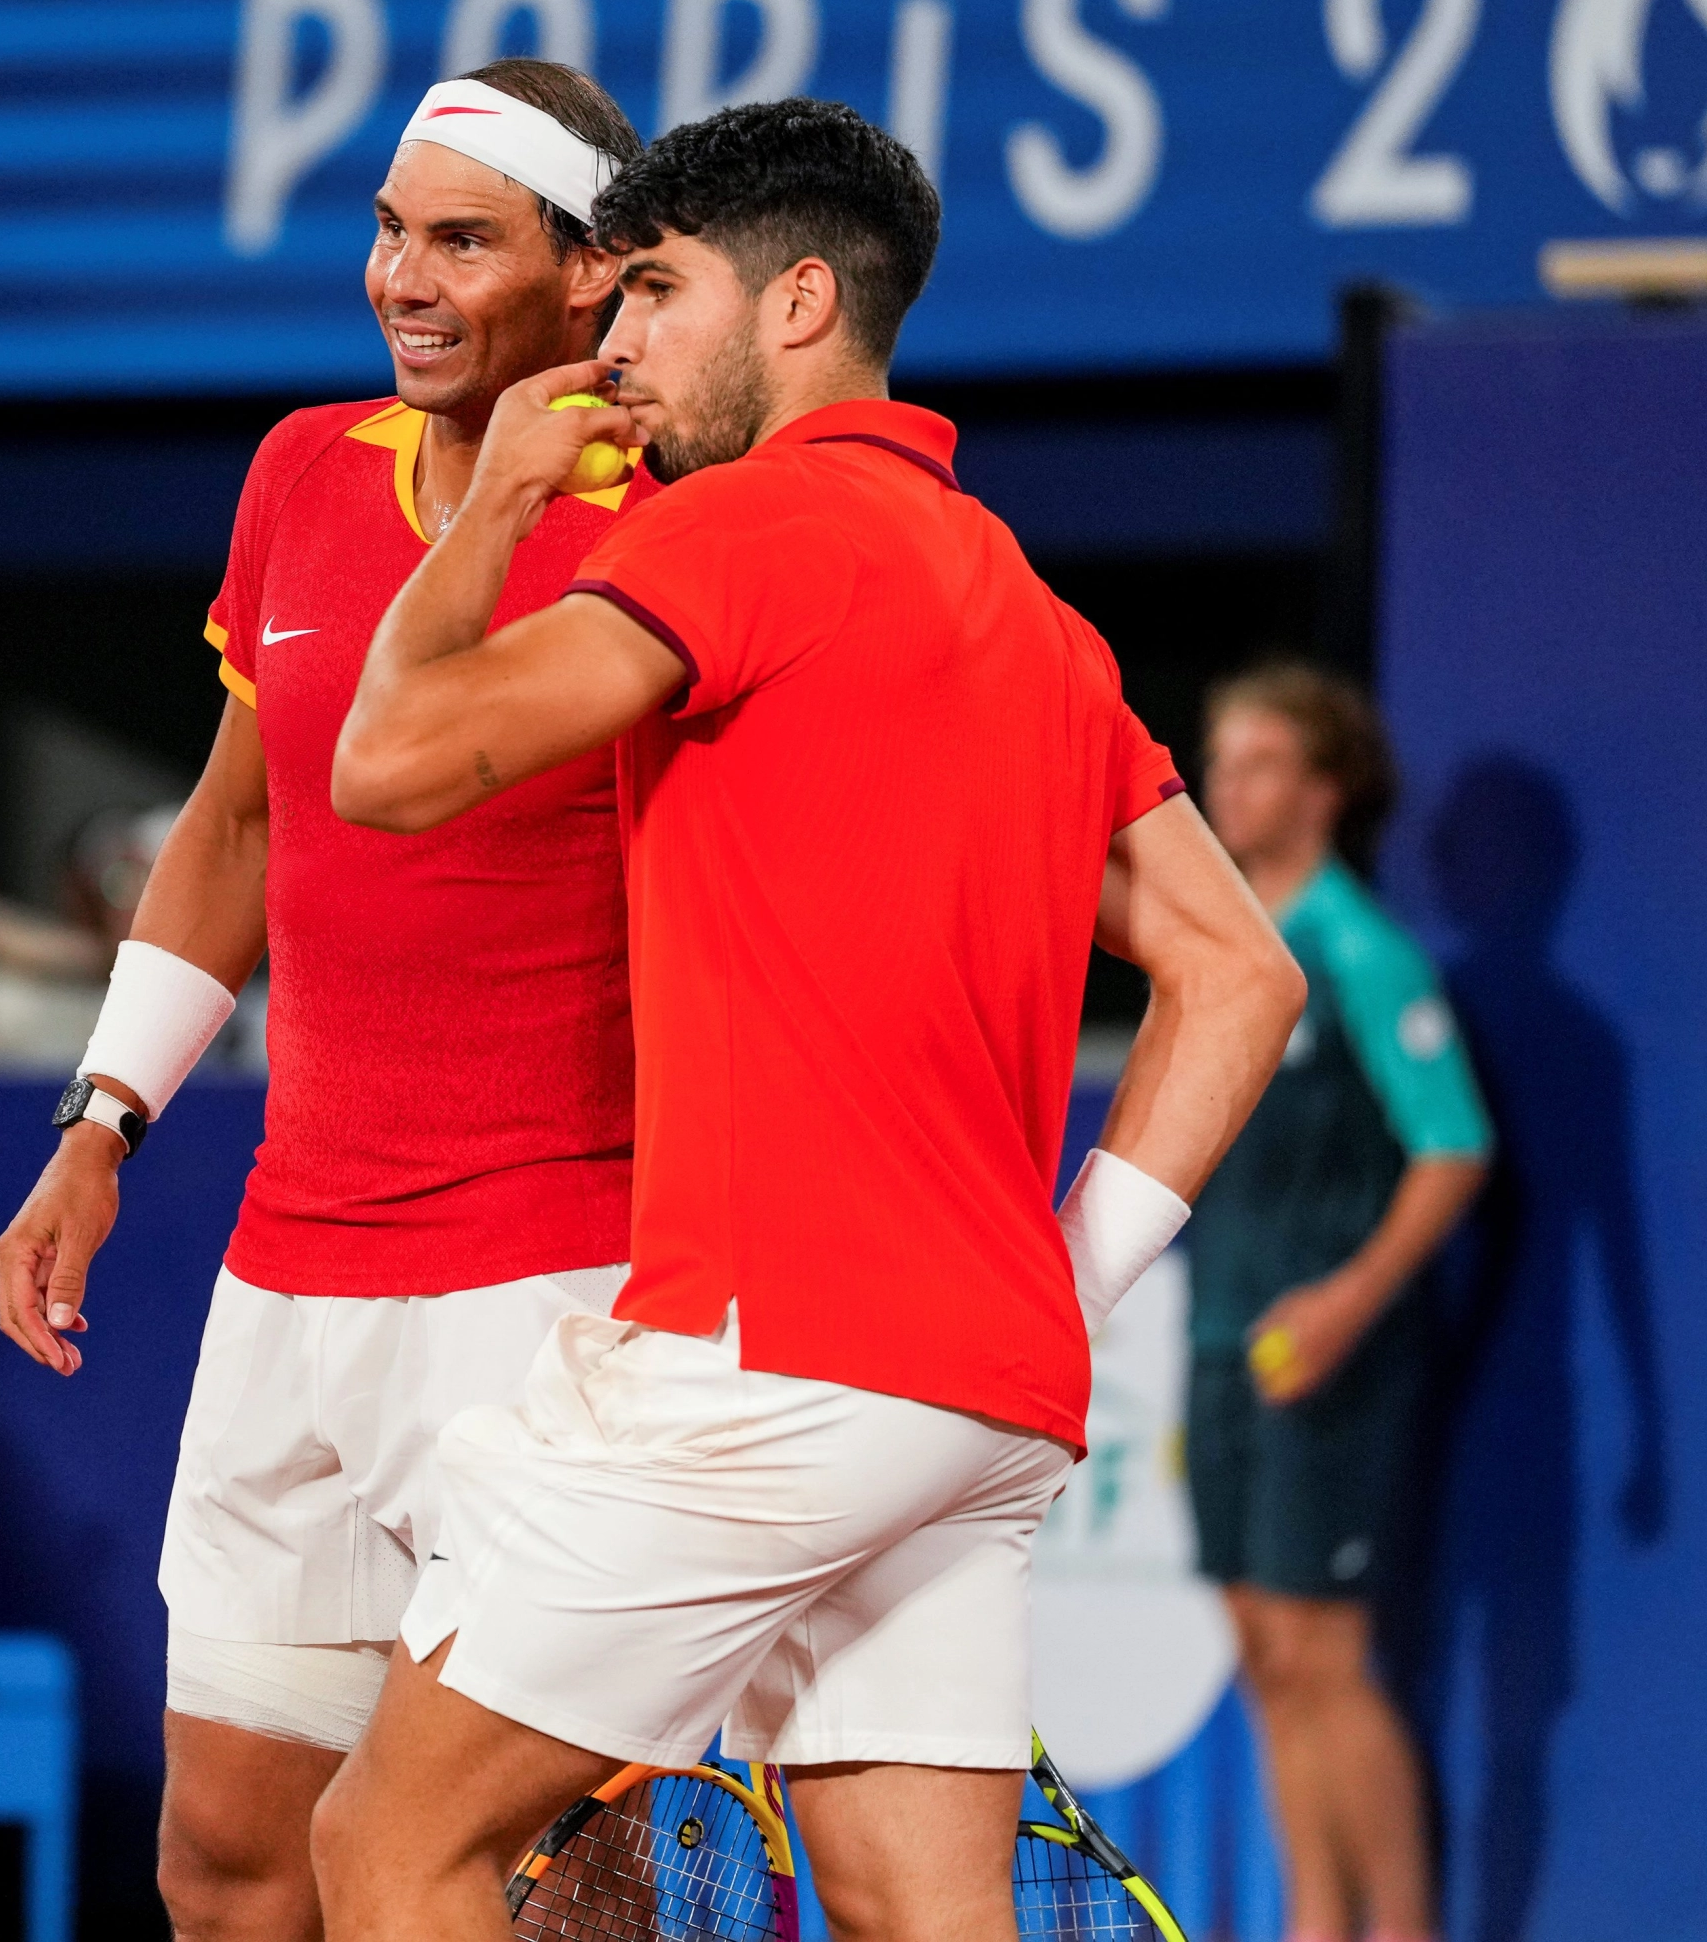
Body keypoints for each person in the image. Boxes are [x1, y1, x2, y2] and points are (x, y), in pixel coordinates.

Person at [312, 100, 1303, 1942]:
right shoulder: (1035, 614)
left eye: (658, 294)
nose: (608, 348)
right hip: (973, 1397)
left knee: (386, 1851)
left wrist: (509, 496)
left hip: (763, 1361)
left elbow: (385, 763)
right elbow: (1243, 976)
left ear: (800, 305)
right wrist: (1057, 1275)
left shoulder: (745, 535)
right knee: (920, 1915)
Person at [0, 59, 648, 1942]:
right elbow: (230, 824)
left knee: (538, 1886)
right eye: (388, 230)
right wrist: (101, 1127)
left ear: (590, 275)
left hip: (554, 1275)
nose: (405, 278)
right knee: (226, 1862)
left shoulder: (676, 522)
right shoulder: (300, 470)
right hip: (296, 1271)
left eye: (464, 238)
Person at [1188, 663, 1492, 1942]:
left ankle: (1402, 1927)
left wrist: (1348, 1302)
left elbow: (1453, 1142)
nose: (1225, 786)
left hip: (1332, 1356)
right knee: (1262, 1645)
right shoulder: (1222, 946)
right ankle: (1315, 1919)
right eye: (1219, 758)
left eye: (1258, 762)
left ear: (1324, 790)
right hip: (1222, 1345)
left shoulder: (1363, 950)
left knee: (1323, 1651)